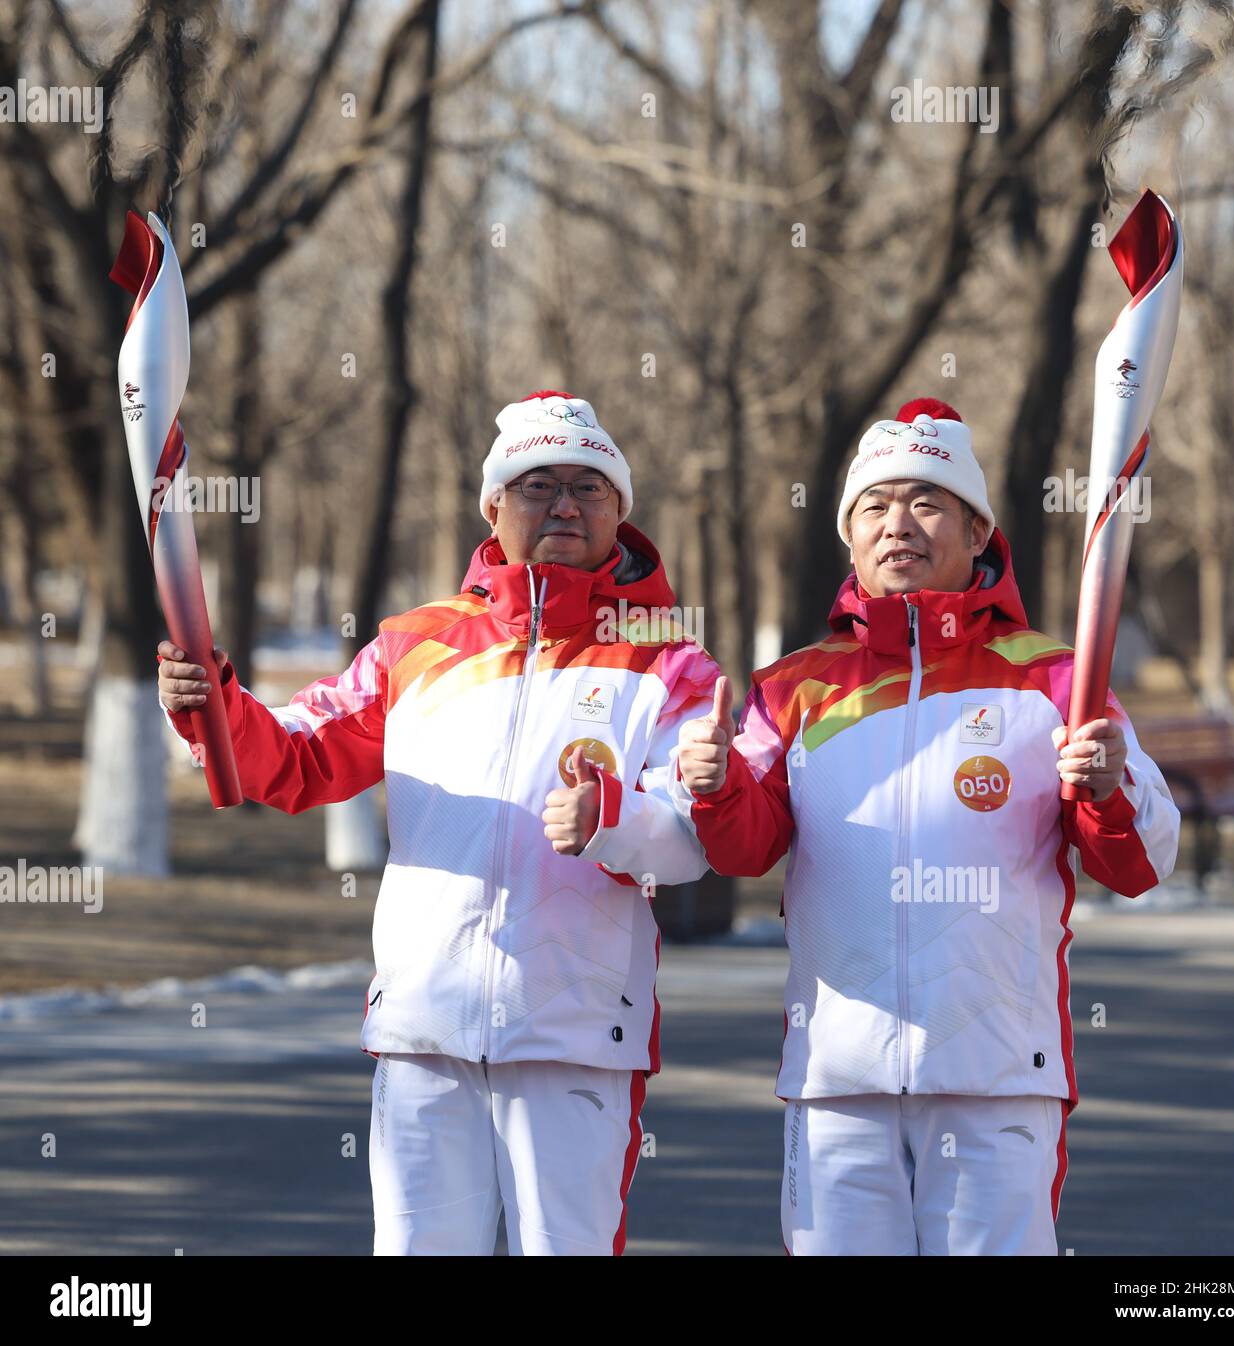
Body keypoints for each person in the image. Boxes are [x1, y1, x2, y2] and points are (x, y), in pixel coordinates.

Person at [158, 390, 720, 1255]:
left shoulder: (666, 657)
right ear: (494, 507)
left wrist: (611, 819)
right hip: (425, 1030)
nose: (564, 504)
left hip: (573, 1038)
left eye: (587, 487)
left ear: (620, 511)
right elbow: (300, 758)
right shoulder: (414, 645)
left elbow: (691, 838)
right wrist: (216, 709)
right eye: (537, 485)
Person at [673, 397, 1180, 1255]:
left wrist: (1106, 789)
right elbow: (747, 845)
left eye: (926, 502)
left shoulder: (1055, 678)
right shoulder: (794, 688)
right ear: (849, 535)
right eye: (874, 505)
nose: (898, 524)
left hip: (996, 1075)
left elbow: (1139, 862)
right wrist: (717, 786)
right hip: (838, 1077)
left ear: (978, 530)